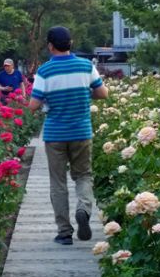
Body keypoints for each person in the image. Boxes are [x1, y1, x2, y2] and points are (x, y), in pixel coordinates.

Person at [28, 26, 108, 245]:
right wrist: (83, 92)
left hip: (55, 134)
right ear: (71, 44)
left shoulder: (44, 71)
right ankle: (83, 209)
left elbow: (33, 105)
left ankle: (64, 232)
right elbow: (102, 93)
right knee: (83, 175)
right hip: (81, 131)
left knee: (58, 182)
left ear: (50, 46)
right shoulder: (85, 66)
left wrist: (45, 98)